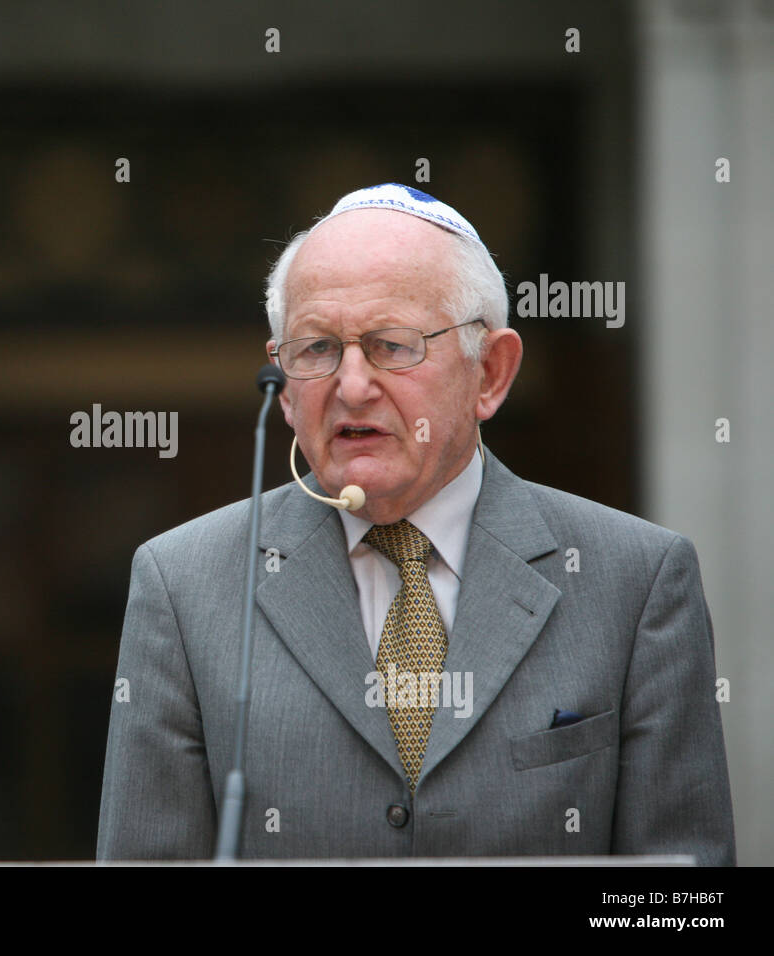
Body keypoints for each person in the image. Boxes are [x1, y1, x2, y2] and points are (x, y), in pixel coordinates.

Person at [96, 183, 736, 863]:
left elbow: (681, 902)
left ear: (490, 371)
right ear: (282, 385)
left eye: (390, 345)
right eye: (315, 349)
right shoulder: (182, 583)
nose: (350, 386)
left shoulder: (635, 579)